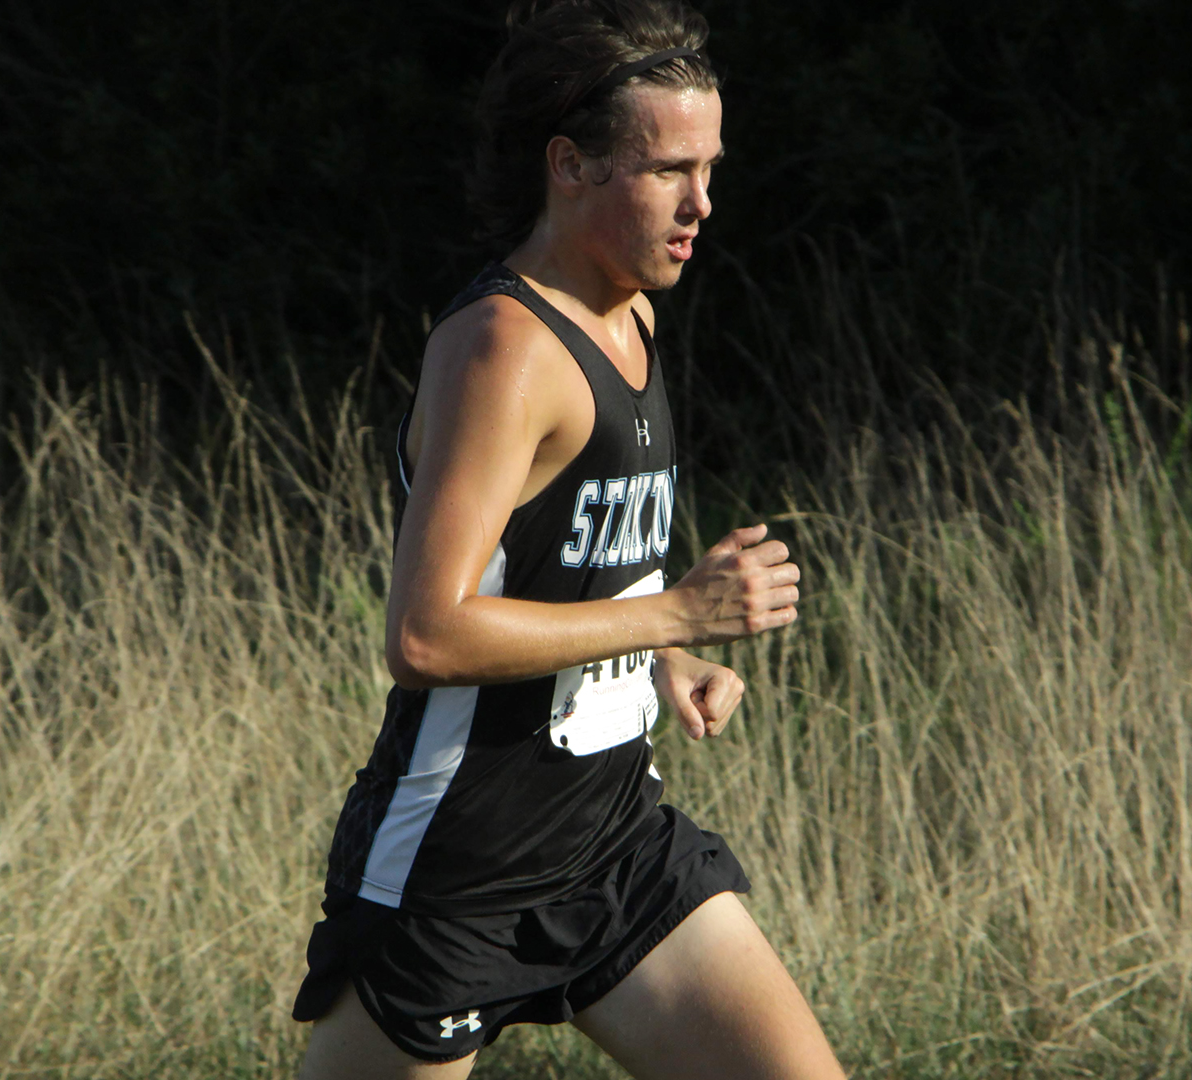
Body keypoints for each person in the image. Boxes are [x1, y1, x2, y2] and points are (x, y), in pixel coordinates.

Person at [293, 2, 842, 1077]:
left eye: (711, 168)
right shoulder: (505, 348)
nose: (702, 203)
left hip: (614, 849)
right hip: (455, 875)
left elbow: (572, 564)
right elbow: (426, 634)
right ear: (571, 165)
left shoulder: (633, 313)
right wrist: (677, 611)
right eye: (669, 170)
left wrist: (665, 653)